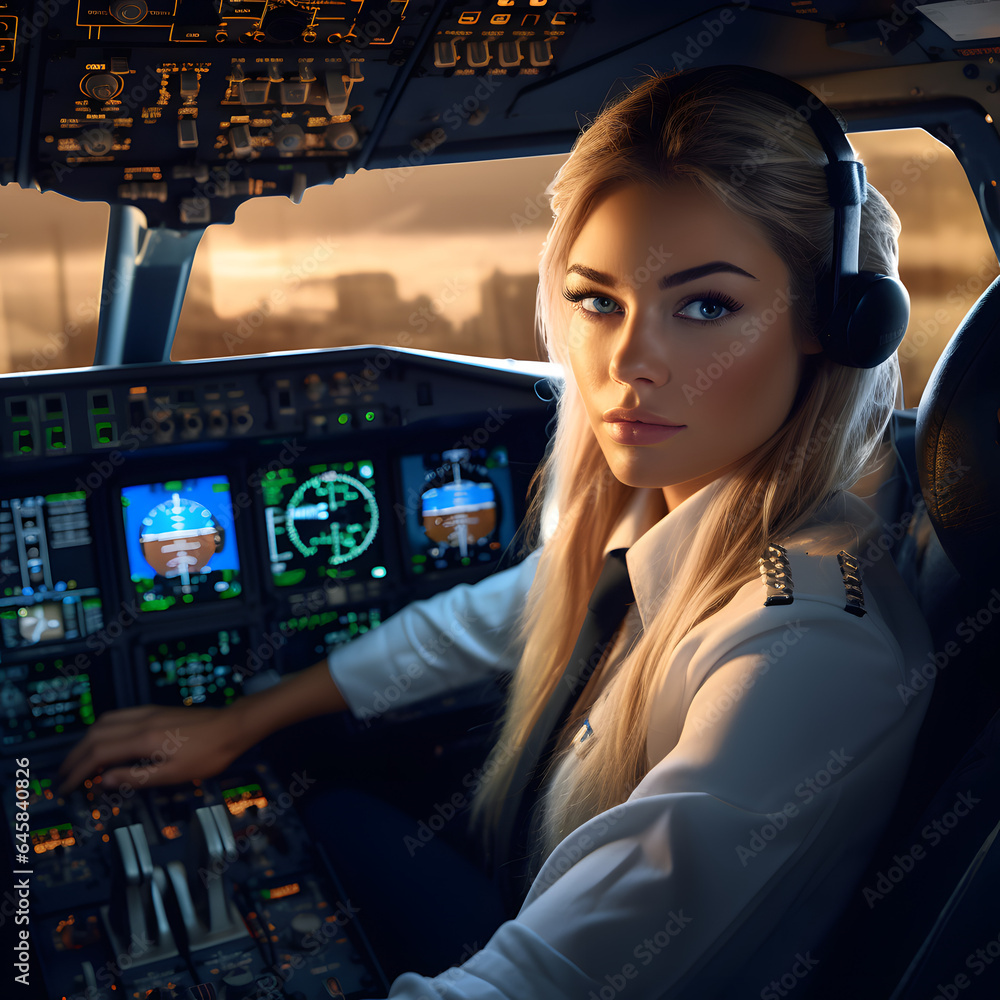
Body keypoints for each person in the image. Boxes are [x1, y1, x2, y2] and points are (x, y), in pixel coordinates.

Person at [59, 66, 934, 998]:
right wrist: (240, 719)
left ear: (838, 328)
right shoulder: (679, 523)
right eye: (599, 300)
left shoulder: (802, 648)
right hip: (521, 891)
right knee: (334, 808)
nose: (628, 364)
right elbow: (496, 613)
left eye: (706, 306)